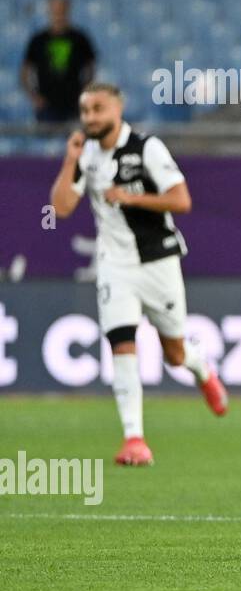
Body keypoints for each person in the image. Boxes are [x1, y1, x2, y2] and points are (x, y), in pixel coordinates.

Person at [47, 82, 228, 466]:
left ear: (117, 109)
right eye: (85, 110)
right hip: (114, 265)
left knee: (175, 354)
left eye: (97, 109)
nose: (90, 117)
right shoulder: (86, 154)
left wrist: (133, 198)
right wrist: (70, 160)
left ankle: (202, 369)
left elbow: (182, 200)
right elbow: (61, 208)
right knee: (122, 344)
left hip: (158, 261)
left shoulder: (147, 148)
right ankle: (135, 440)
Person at [22, 0, 97, 124]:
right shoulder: (38, 40)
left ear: (68, 10)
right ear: (49, 11)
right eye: (55, 10)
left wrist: (84, 92)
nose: (58, 14)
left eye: (61, 10)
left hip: (74, 103)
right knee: (47, 142)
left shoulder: (80, 38)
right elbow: (25, 72)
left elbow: (91, 68)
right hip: (46, 106)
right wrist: (35, 98)